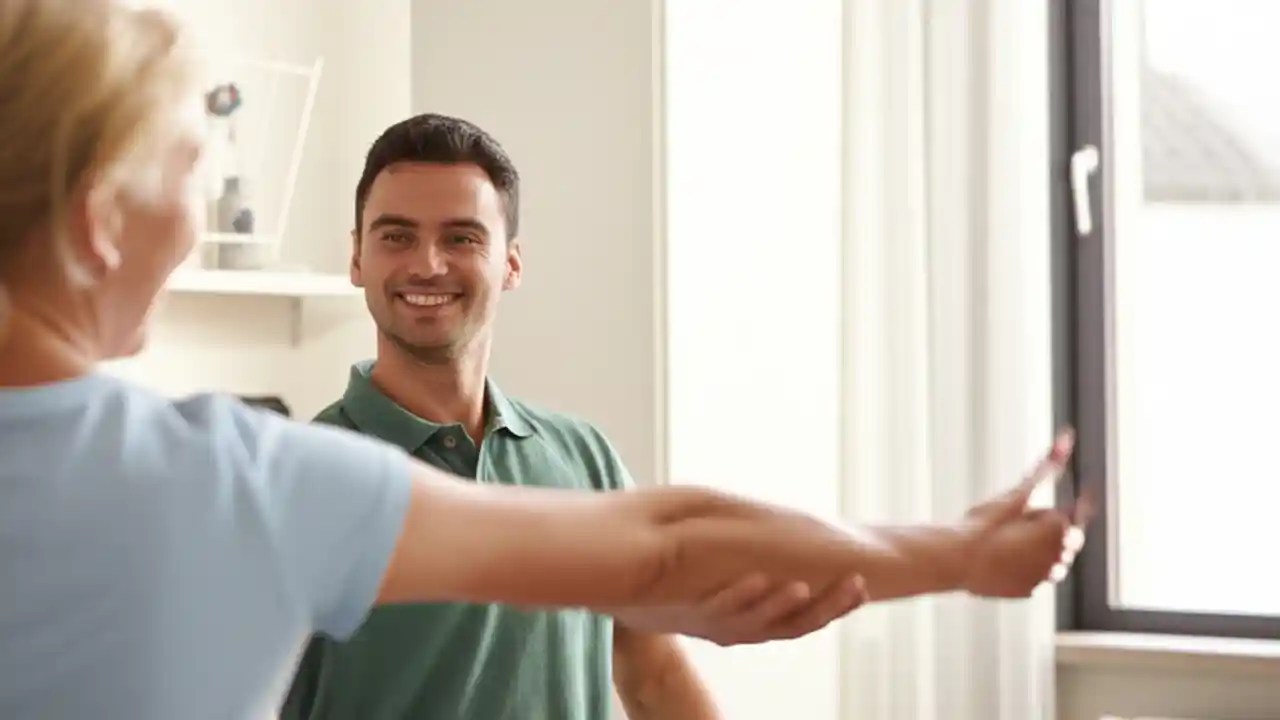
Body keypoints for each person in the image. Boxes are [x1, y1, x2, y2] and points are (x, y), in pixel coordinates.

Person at [0, 2, 1086, 719]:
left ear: (509, 262)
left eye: (459, 236)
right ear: (100, 220)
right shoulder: (243, 480)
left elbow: (648, 627)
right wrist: (952, 556)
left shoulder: (567, 451)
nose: (199, 219)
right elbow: (667, 548)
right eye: (195, 169)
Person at [281, 114, 874, 720]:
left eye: (461, 238)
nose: (428, 264)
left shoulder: (582, 457)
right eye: (396, 237)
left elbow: (654, 675)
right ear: (357, 257)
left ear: (511, 264)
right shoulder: (298, 478)